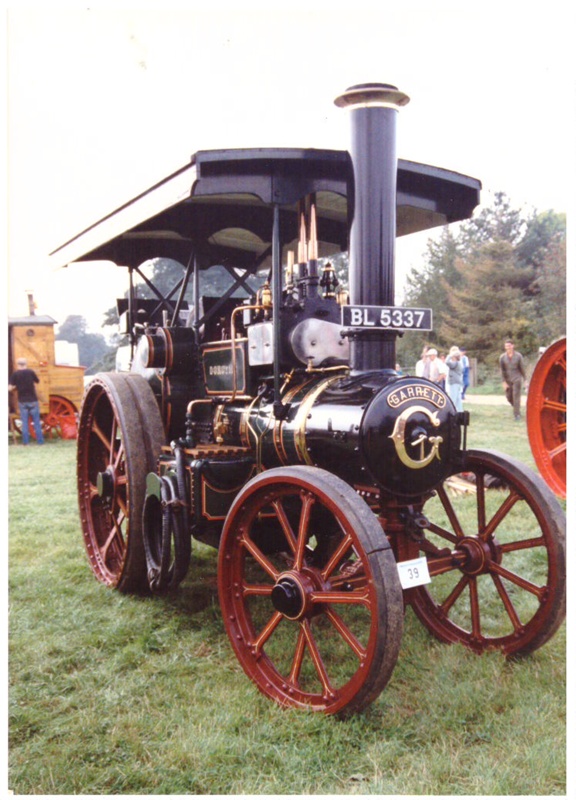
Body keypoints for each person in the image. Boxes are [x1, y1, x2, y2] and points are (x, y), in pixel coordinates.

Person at [8, 357, 45, 444]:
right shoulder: (31, 372)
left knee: (24, 423)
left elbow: (9, 388)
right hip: (33, 400)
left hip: (22, 401)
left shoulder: (15, 375)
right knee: (36, 422)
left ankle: (26, 442)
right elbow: (37, 381)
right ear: (25, 364)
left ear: (18, 365)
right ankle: (40, 442)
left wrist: (15, 386)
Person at [499, 339, 526, 420]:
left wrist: (525, 379)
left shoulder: (518, 356)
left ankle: (516, 415)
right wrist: (503, 382)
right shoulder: (502, 357)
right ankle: (516, 408)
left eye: (509, 346)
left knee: (516, 396)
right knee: (509, 397)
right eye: (506, 346)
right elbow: (502, 370)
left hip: (517, 378)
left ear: (513, 346)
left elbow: (522, 368)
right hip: (507, 379)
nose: (508, 348)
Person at [445, 346, 464, 411]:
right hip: (458, 382)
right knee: (458, 399)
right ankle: (460, 411)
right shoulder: (459, 363)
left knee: (453, 398)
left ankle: (452, 411)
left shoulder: (455, 363)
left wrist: (449, 355)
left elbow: (447, 362)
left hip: (454, 383)